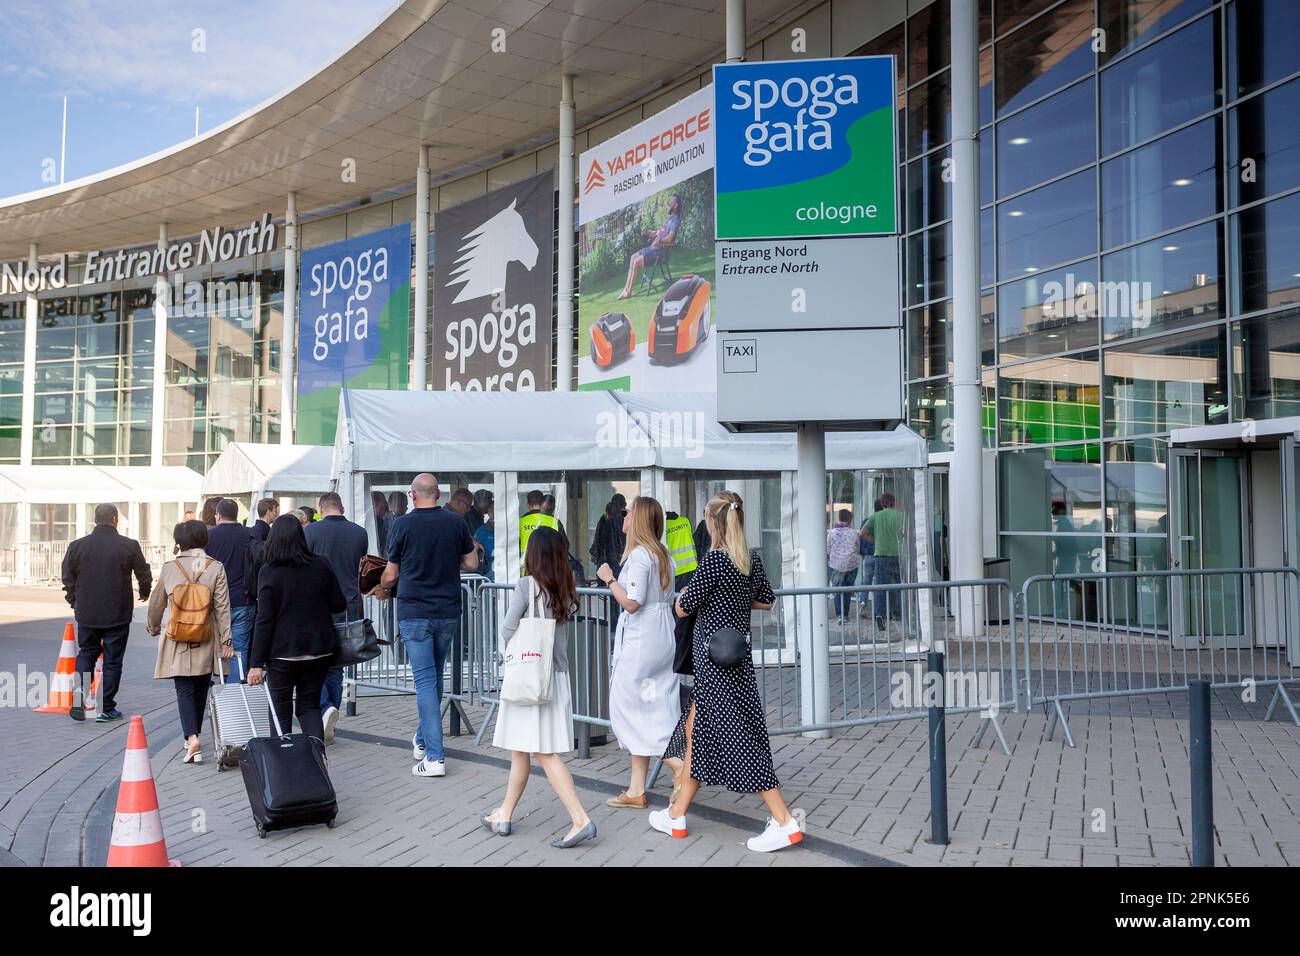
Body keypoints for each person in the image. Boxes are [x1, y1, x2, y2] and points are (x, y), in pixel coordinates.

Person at [654, 491, 803, 853]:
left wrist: (690, 595)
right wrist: (734, 597)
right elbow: (766, 599)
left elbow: (684, 607)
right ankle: (676, 813)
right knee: (697, 733)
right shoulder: (749, 559)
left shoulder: (715, 561)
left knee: (742, 740)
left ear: (712, 522)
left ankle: (784, 821)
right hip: (738, 659)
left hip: (712, 664)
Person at [482, 527, 597, 848]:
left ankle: (580, 819)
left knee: (543, 753)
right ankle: (504, 813)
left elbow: (507, 629)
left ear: (534, 555)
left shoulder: (525, 587)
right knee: (522, 749)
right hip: (554, 677)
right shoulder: (567, 589)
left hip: (528, 677)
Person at [377, 473, 478, 778]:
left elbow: (391, 574)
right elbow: (472, 564)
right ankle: (423, 740)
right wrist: (448, 561)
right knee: (434, 678)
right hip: (447, 610)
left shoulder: (402, 525)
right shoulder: (455, 522)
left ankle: (435, 757)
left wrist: (380, 584)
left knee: (424, 681)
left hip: (414, 611)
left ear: (412, 494)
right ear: (438, 493)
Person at [597, 497, 681, 809]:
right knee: (651, 707)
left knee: (628, 707)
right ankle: (636, 789)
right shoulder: (663, 555)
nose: (623, 515)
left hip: (641, 639)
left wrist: (609, 579)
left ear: (639, 519)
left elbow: (632, 602)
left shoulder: (641, 557)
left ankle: (679, 767)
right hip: (661, 634)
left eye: (628, 511)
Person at [247, 515, 345, 743]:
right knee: (309, 706)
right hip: (319, 650)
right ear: (301, 538)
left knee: (280, 710)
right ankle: (318, 759)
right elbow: (338, 604)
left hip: (283, 654)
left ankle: (284, 765)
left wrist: (255, 664)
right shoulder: (321, 564)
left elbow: (265, 620)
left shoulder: (269, 571)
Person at [146, 520, 234, 762]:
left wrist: (153, 627)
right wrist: (227, 641)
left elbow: (156, 603)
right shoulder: (215, 567)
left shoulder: (170, 567)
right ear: (205, 540)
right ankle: (193, 740)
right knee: (201, 685)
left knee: (183, 688)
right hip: (206, 636)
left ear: (179, 542)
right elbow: (222, 608)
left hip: (178, 636)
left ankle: (191, 738)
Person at [60, 503, 152, 723]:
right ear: (115, 519)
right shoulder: (128, 546)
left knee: (86, 653)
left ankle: (80, 694)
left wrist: (74, 600)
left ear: (95, 520)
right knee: (112, 660)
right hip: (117, 613)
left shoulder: (77, 546)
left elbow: (67, 577)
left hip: (87, 612)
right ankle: (107, 707)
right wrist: (145, 592)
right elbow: (143, 572)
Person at [304, 491, 370, 744]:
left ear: (321, 508)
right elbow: (360, 567)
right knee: (337, 662)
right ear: (341, 507)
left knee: (314, 662)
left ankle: (324, 707)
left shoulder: (311, 533)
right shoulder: (359, 533)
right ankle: (331, 707)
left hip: (317, 606)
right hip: (348, 606)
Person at [206, 498, 255, 683]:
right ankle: (234, 695)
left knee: (214, 649)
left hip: (215, 602)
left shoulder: (209, 536)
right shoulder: (249, 535)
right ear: (237, 515)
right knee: (239, 651)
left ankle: (218, 690)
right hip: (243, 600)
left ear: (217, 515)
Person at [618, 193, 681, 299]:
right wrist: (648, 232)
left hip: (659, 252)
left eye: (671, 202)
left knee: (636, 263)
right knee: (633, 257)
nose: (669, 204)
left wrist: (659, 240)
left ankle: (628, 292)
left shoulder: (675, 220)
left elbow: (670, 239)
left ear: (676, 206)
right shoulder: (669, 219)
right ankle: (626, 288)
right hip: (653, 249)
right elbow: (657, 233)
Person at [861, 492, 902, 629]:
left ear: (882, 504)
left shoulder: (876, 516)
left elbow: (862, 533)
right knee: (900, 586)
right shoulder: (901, 515)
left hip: (881, 555)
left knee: (880, 587)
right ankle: (899, 613)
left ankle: (880, 615)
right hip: (898, 555)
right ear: (893, 502)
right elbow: (908, 533)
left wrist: (875, 540)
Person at [826, 508, 859, 624]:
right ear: (850, 519)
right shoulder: (854, 533)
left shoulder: (832, 533)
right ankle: (846, 614)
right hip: (851, 565)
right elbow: (857, 548)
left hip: (835, 566)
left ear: (839, 518)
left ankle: (840, 615)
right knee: (848, 591)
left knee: (837, 591)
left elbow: (827, 550)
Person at [589, 493, 626, 579]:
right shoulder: (623, 519)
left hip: (605, 561)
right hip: (618, 560)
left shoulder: (605, 519)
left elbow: (597, 540)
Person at [518, 489, 558, 561]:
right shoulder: (554, 521)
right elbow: (564, 544)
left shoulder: (521, 521)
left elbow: (514, 546)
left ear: (528, 505)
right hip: (548, 566)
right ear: (543, 504)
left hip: (527, 566)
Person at [664, 509, 699, 591]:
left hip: (674, 571)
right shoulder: (685, 521)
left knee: (676, 600)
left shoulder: (663, 526)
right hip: (692, 568)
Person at [474, 495, 495, 583]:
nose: (494, 515)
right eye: (492, 511)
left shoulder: (510, 531)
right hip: (486, 581)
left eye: (497, 511)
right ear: (488, 512)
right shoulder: (480, 532)